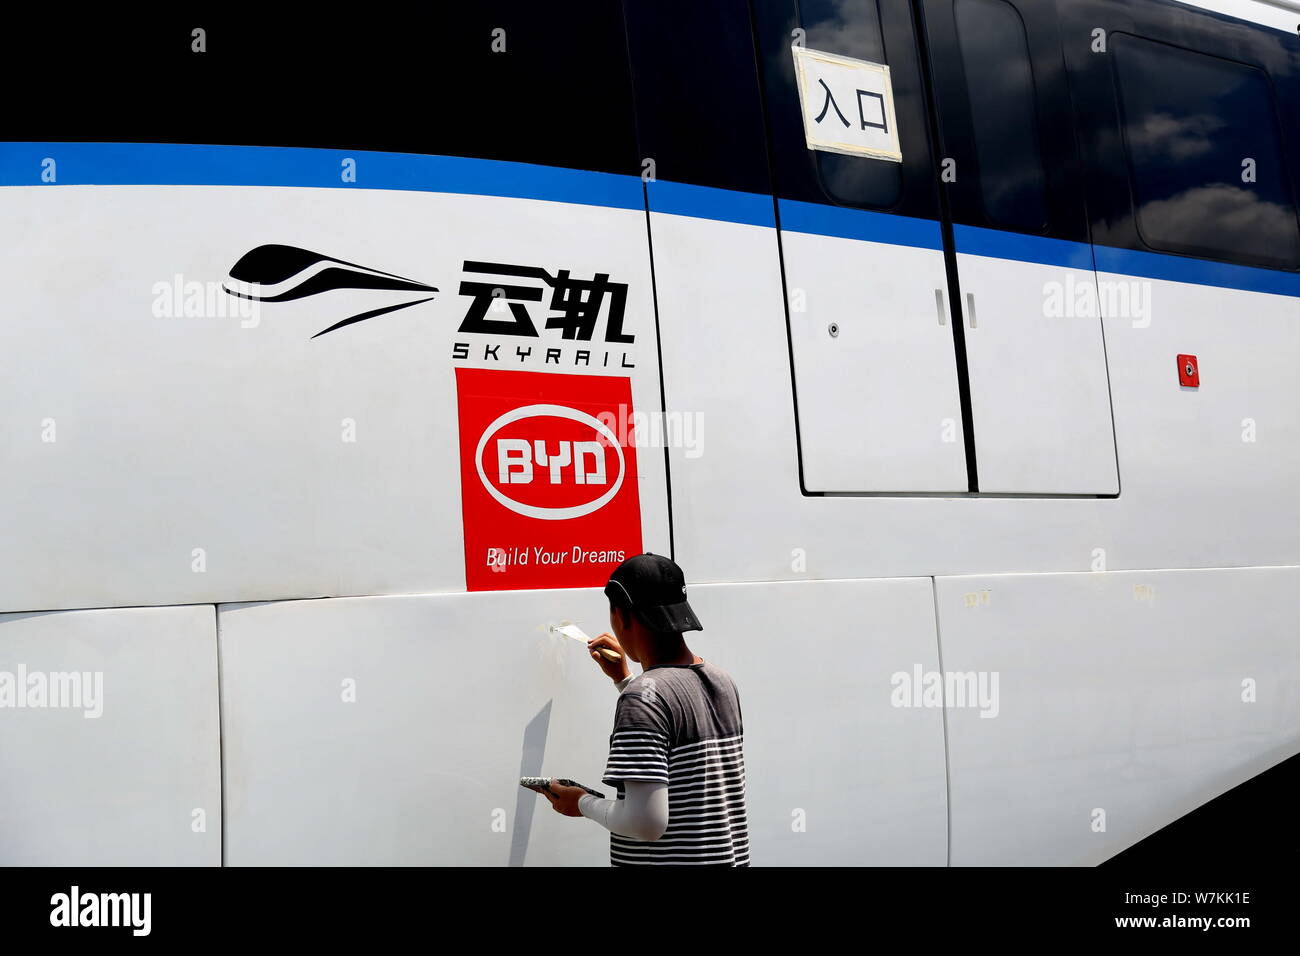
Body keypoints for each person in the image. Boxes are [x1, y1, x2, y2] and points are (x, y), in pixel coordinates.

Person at [539, 553, 750, 866]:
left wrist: (581, 803)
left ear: (623, 618)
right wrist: (624, 680)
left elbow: (645, 824)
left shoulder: (642, 699)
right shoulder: (721, 681)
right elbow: (678, 740)